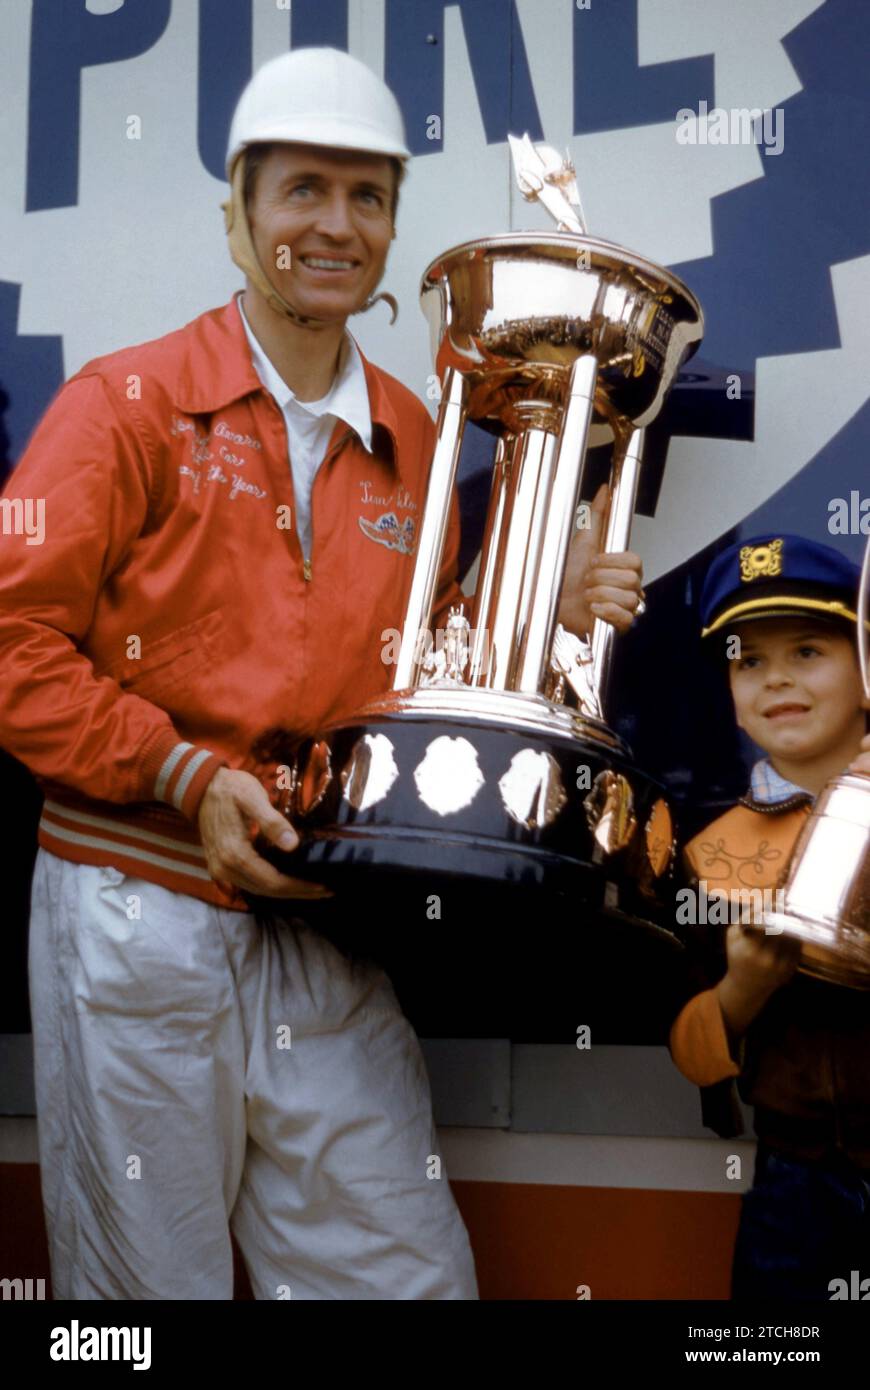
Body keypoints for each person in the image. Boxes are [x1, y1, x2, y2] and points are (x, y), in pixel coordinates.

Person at [0, 47, 643, 1300]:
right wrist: (182, 773)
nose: (333, 226)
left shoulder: (412, 436)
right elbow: (12, 641)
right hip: (134, 911)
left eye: (366, 197)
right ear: (237, 216)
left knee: (406, 1280)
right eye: (301, 191)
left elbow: (402, 669)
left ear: (394, 222)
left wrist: (529, 610)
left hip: (321, 920)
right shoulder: (123, 406)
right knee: (143, 1299)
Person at [668, 533, 870, 1301]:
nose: (776, 678)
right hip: (794, 1189)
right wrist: (743, 988)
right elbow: (689, 1052)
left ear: (867, 669)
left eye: (810, 650)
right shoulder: (712, 852)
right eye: (748, 661)